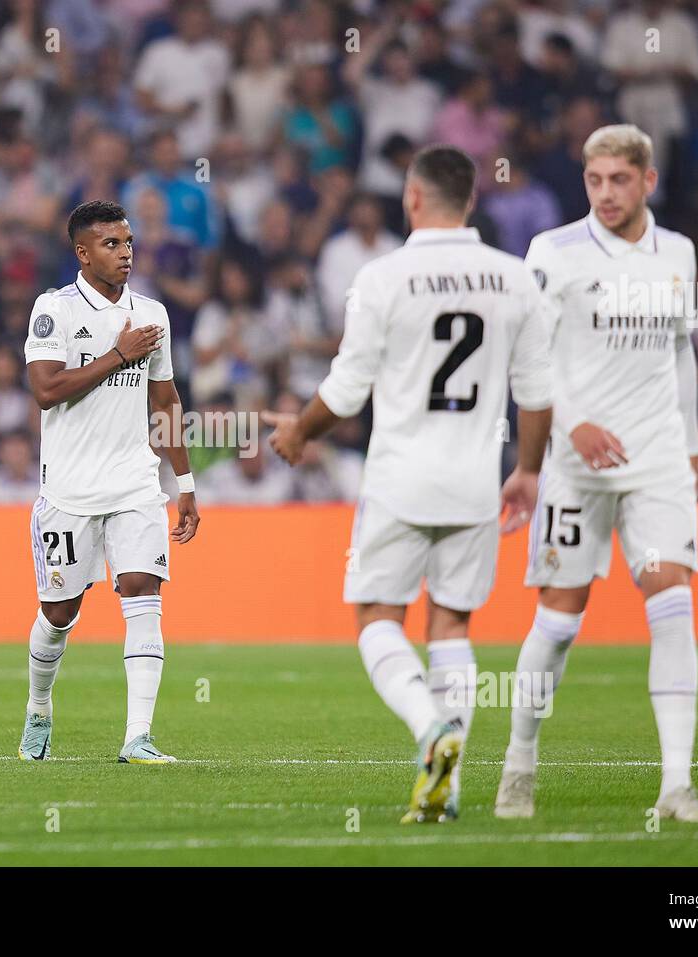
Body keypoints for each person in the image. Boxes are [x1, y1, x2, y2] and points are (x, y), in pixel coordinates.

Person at [264, 145, 554, 823]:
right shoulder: (515, 278)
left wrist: (300, 431)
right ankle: (445, 789)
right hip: (476, 480)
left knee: (376, 617)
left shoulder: (384, 276)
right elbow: (538, 392)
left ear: (413, 198)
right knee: (450, 623)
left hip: (400, 477)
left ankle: (431, 729)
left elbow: (347, 388)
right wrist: (528, 470)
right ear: (471, 200)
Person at [495, 124, 698, 823]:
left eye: (619, 179)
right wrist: (573, 425)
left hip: (656, 459)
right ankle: (519, 763)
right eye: (594, 180)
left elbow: (681, 353)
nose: (606, 193)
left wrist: (692, 445)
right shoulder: (553, 252)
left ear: (648, 180)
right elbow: (527, 355)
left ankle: (676, 785)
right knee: (559, 620)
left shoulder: (678, 251)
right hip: (575, 466)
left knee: (672, 603)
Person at [18, 200, 200, 765]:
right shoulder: (53, 309)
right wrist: (119, 353)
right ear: (83, 252)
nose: (125, 253)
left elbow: (164, 400)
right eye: (111, 244)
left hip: (135, 483)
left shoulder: (152, 314)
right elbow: (46, 390)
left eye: (128, 242)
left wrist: (185, 482)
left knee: (143, 590)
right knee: (59, 614)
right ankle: (39, 706)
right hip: (69, 490)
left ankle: (137, 737)